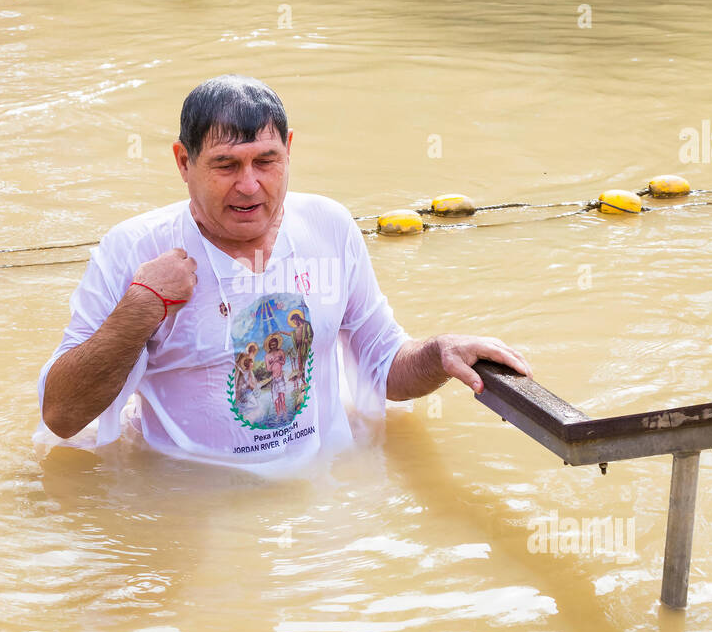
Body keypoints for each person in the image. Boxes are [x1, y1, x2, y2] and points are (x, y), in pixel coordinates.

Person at [39, 75, 531, 471]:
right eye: (225, 165)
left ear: (289, 150)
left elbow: (383, 367)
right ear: (183, 162)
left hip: (319, 491)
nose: (249, 185)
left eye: (266, 161)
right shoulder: (134, 249)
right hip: (189, 499)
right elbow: (61, 416)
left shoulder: (329, 226)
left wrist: (440, 352)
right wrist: (143, 304)